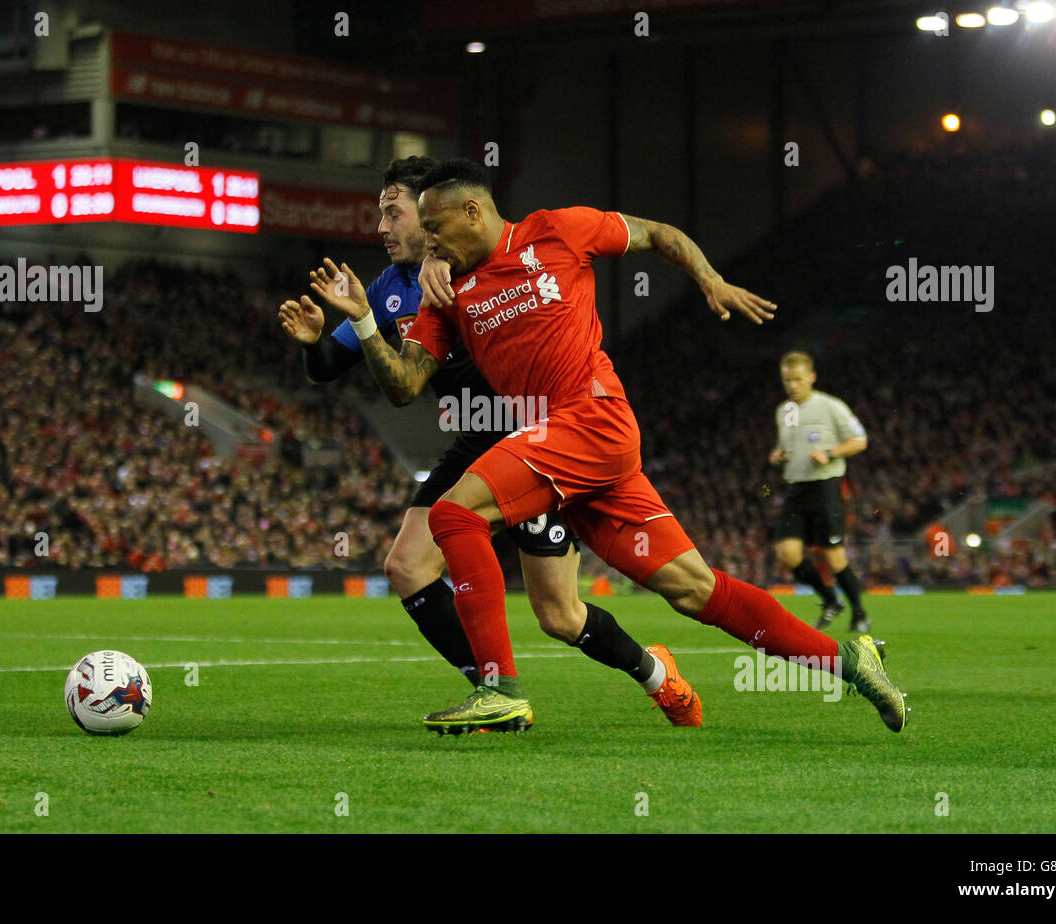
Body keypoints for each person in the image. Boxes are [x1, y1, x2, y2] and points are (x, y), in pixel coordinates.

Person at [308, 158, 907, 734]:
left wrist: (710, 279)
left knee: (454, 514)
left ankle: (499, 690)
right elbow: (404, 385)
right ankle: (848, 660)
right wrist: (363, 319)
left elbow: (659, 235)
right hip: (561, 450)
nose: (431, 247)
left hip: (591, 418)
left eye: (435, 230)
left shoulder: (558, 230)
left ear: (472, 210)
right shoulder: (446, 295)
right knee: (693, 589)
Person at [279, 157, 700, 731]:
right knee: (406, 565)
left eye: (393, 213)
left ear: (435, 213)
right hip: (474, 441)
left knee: (558, 614)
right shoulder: (387, 289)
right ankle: (493, 692)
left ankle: (656, 675)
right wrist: (311, 341)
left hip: (537, 439)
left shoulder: (477, 266)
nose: (382, 227)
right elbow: (332, 365)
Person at [767, 350, 871, 632]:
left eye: (798, 379)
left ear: (811, 377)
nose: (792, 385)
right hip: (795, 489)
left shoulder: (830, 406)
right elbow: (785, 446)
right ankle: (829, 600)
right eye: (787, 380)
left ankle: (859, 612)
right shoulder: (783, 411)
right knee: (787, 552)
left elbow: (860, 439)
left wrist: (830, 452)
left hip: (825, 487)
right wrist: (777, 455)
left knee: (833, 555)